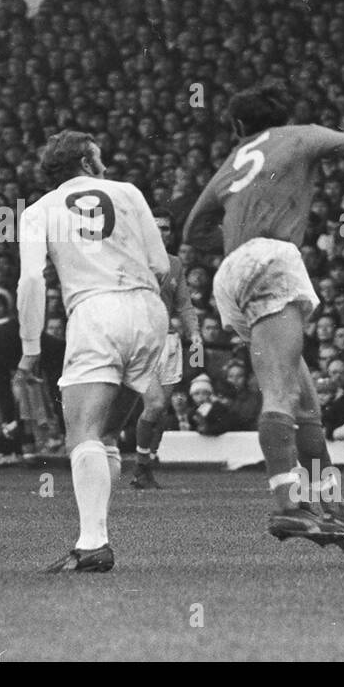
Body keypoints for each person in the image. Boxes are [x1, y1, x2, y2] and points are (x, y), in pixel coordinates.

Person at [183, 81, 344, 559]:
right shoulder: (299, 134)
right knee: (279, 395)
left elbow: (193, 229)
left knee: (305, 405)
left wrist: (236, 243)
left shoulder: (233, 159)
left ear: (237, 126)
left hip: (230, 275)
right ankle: (288, 504)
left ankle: (334, 512)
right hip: (271, 260)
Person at [18, 131, 168, 573]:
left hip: (95, 311)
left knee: (82, 433)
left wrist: (30, 349)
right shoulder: (127, 192)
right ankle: (94, 537)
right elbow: (161, 265)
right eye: (99, 158)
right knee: (105, 436)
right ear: (86, 161)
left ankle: (92, 543)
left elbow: (31, 281)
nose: (104, 165)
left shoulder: (39, 211)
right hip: (148, 309)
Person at [131, 208, 199, 489]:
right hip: (143, 341)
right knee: (155, 403)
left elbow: (183, 302)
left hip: (170, 342)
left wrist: (194, 331)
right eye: (156, 227)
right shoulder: (133, 261)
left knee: (160, 410)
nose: (161, 233)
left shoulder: (175, 264)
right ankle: (140, 463)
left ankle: (145, 464)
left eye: (167, 228)